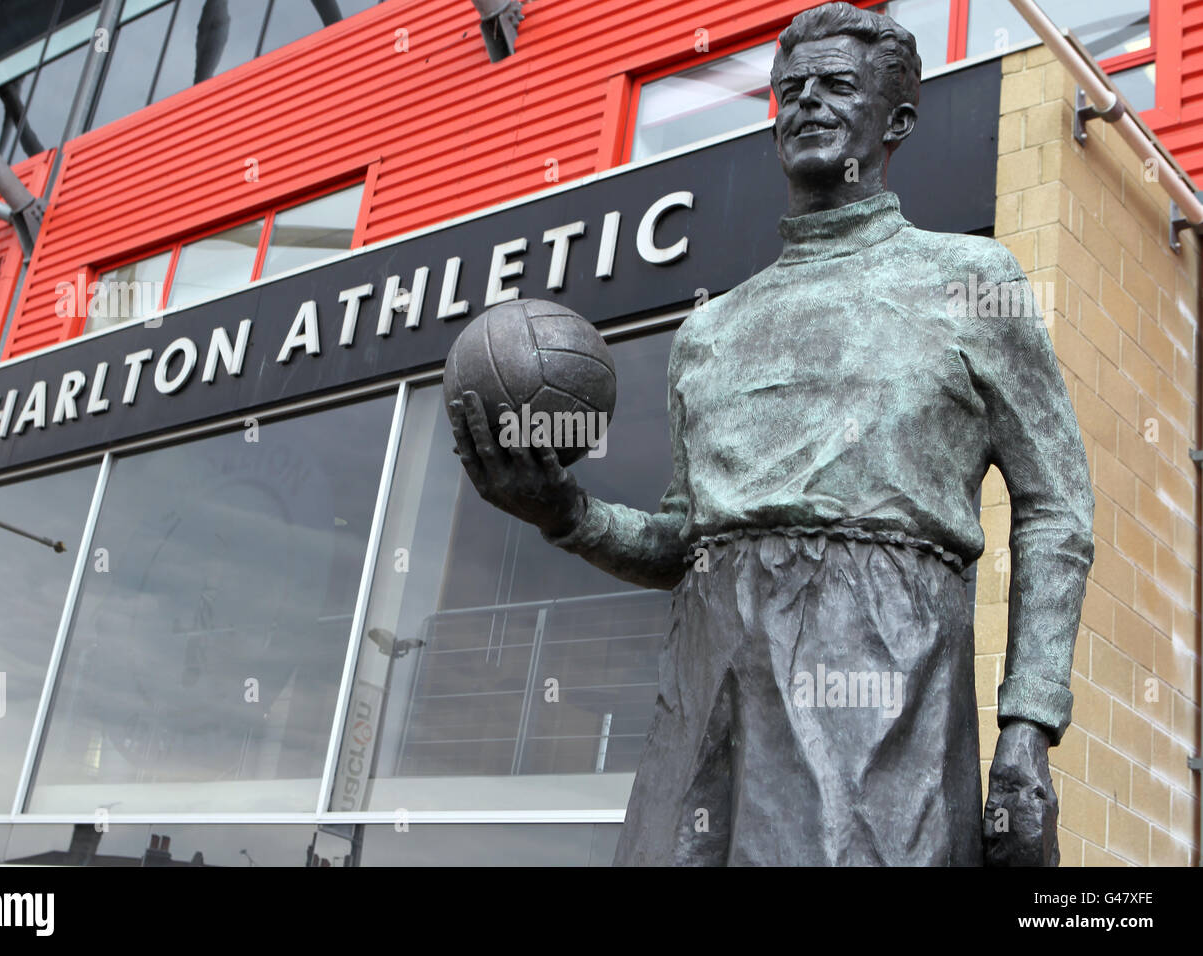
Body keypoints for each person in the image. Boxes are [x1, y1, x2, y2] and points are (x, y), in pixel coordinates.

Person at [447, 2, 1094, 866]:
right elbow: (682, 540)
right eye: (791, 90)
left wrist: (1029, 731)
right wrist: (566, 513)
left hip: (880, 682)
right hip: (707, 686)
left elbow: (1056, 507)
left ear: (896, 120)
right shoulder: (710, 331)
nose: (807, 104)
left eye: (836, 86)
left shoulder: (972, 280)